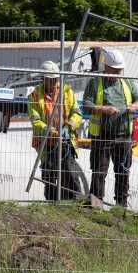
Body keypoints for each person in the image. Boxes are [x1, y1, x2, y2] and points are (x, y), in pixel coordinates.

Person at [83, 47, 138, 207]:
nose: (117, 73)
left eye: (119, 70)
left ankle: (121, 206)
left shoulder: (127, 82)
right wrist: (104, 109)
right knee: (99, 172)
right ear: (106, 67)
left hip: (124, 136)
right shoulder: (95, 83)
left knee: (123, 172)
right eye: (114, 70)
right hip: (102, 136)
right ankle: (96, 206)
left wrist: (135, 106)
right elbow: (87, 105)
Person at [28, 61, 83, 201]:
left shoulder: (66, 91)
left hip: (66, 140)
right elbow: (35, 120)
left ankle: (77, 202)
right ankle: (53, 205)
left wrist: (68, 126)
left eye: (55, 79)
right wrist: (49, 130)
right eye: (50, 79)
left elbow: (77, 113)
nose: (53, 82)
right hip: (46, 144)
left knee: (71, 173)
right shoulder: (34, 96)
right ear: (43, 79)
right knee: (49, 176)